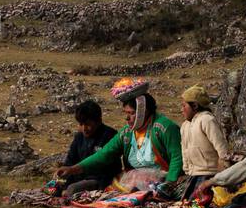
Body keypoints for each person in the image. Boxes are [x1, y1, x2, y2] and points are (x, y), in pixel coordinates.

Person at [55, 78, 183, 192]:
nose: (127, 118)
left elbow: (177, 157)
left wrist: (169, 184)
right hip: (135, 180)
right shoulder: (127, 133)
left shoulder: (164, 127)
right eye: (125, 113)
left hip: (162, 179)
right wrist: (73, 169)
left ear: (144, 111)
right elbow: (104, 154)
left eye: (131, 113)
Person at [177, 84, 231, 199]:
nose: (181, 110)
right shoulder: (185, 126)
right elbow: (184, 150)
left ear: (195, 105)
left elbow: (221, 147)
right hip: (193, 174)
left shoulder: (207, 120)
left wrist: (223, 173)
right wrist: (186, 169)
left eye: (184, 106)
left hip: (209, 173)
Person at [56, 101, 118, 197]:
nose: (84, 128)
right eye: (81, 124)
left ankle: (66, 193)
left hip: (99, 180)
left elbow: (109, 169)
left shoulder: (110, 135)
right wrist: (61, 177)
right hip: (77, 177)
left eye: (88, 124)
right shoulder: (79, 137)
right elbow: (70, 161)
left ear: (98, 121)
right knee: (56, 183)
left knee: (72, 189)